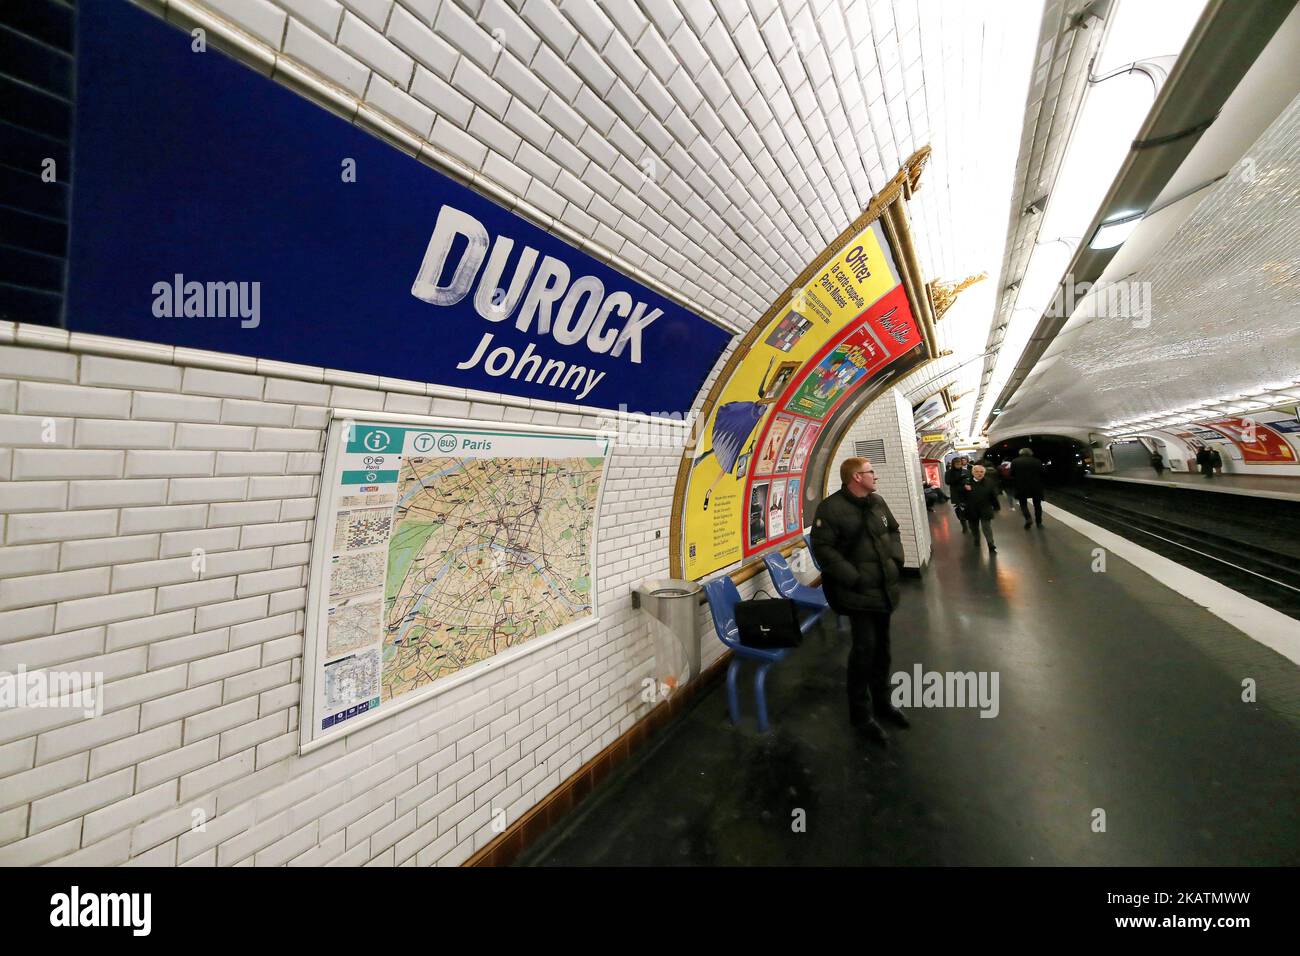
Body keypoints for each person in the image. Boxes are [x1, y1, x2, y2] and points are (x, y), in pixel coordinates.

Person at [810, 457, 909, 745]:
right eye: (870, 472)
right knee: (864, 651)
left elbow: (893, 529)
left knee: (883, 650)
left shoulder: (877, 502)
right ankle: (861, 714)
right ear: (855, 477)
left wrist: (896, 559)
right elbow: (824, 549)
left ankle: (883, 703)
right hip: (857, 593)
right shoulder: (830, 509)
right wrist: (853, 578)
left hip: (883, 589)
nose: (874, 476)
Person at [964, 464, 1001, 553]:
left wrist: (996, 506)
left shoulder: (989, 482)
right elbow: (960, 495)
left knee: (986, 527)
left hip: (985, 507)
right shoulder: (966, 483)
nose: (979, 474)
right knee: (974, 527)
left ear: (984, 473)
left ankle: (990, 544)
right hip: (971, 508)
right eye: (977, 472)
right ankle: (976, 539)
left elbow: (993, 495)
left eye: (981, 472)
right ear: (973, 473)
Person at [1009, 446, 1046, 528]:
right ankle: (1039, 523)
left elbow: (1011, 474)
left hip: (1021, 486)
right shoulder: (1037, 461)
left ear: (1020, 453)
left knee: (1023, 504)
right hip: (1036, 486)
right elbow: (1043, 473)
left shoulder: (1015, 461)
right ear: (1030, 453)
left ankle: (1028, 518)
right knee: (1037, 505)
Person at [945, 456, 971, 533]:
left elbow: (970, 480)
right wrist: (959, 478)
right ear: (953, 464)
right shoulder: (949, 473)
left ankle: (970, 523)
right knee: (960, 510)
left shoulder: (965, 471)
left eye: (959, 463)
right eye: (956, 463)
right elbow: (948, 482)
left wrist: (967, 483)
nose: (958, 465)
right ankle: (964, 526)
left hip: (967, 493)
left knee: (969, 509)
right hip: (956, 493)